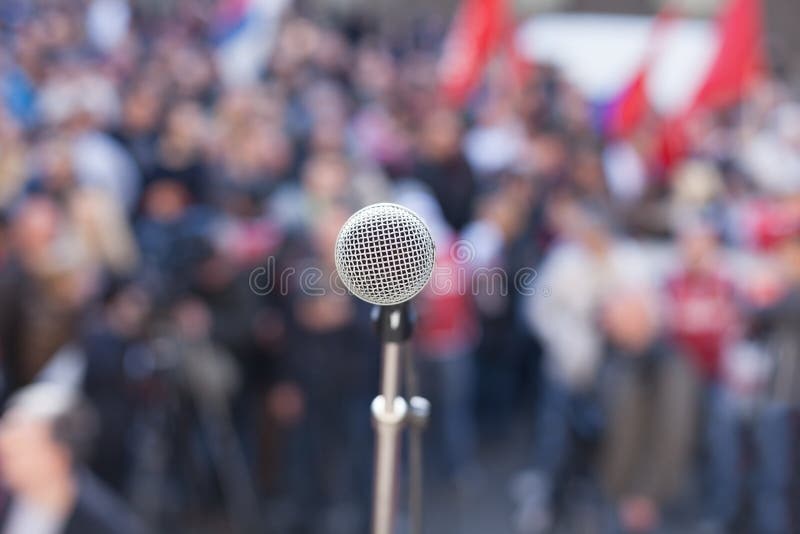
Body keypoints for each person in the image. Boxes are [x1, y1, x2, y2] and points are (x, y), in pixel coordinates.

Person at [0, 382, 149, 534]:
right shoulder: (6, 499)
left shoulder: (106, 526)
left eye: (17, 451)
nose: (3, 459)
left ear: (59, 457)